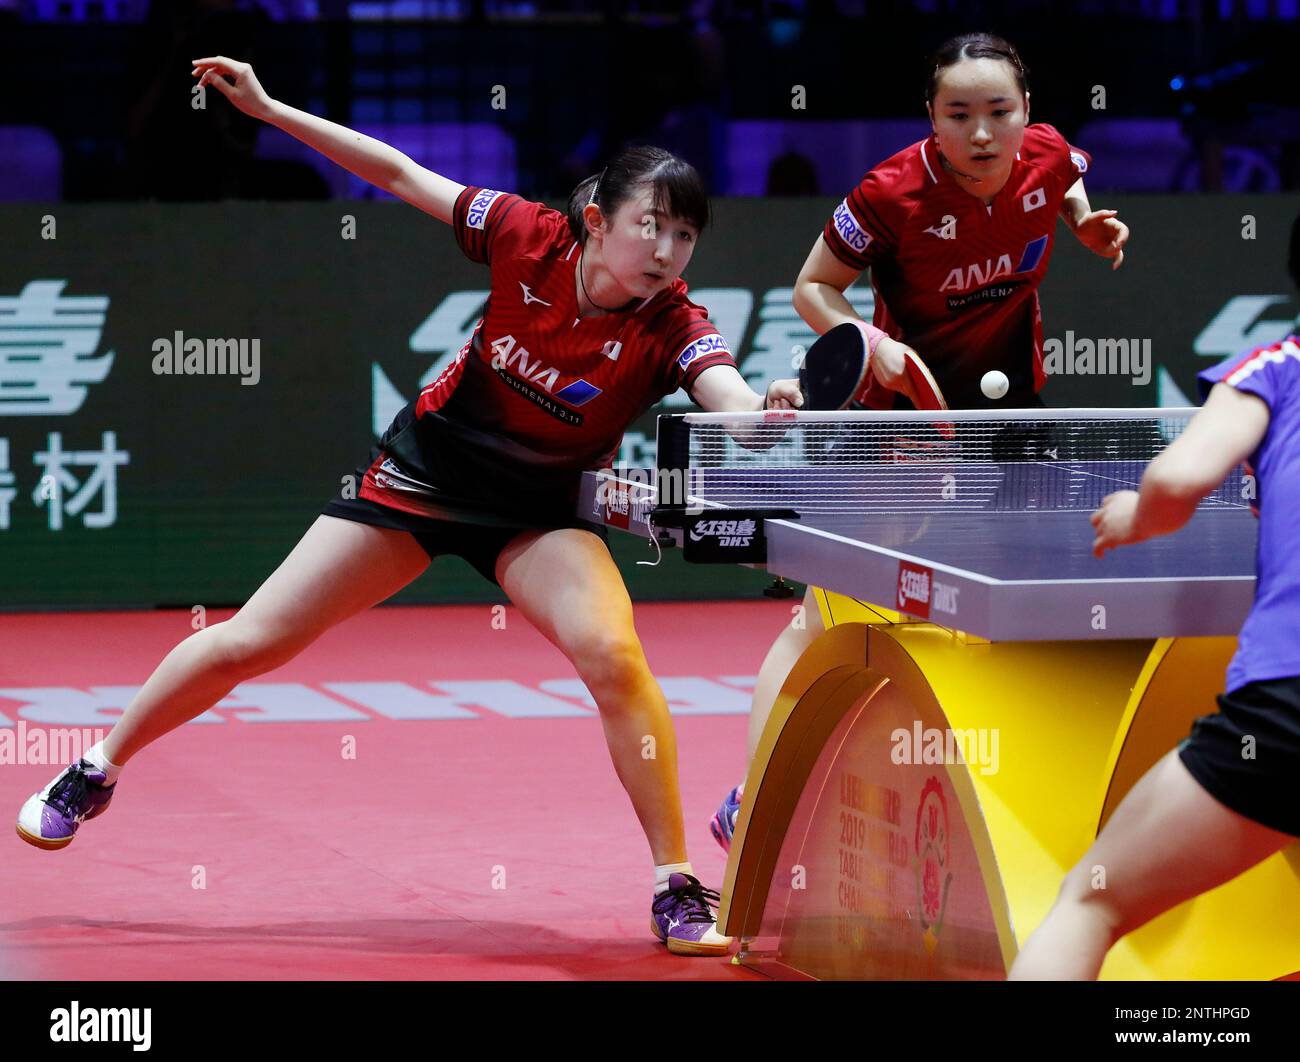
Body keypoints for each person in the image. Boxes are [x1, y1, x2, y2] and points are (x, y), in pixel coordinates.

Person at [15, 55, 802, 958]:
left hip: (537, 513)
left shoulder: (674, 324)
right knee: (253, 638)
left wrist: (764, 413)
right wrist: (273, 112)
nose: (666, 253)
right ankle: (95, 767)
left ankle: (675, 883)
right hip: (423, 478)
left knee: (613, 654)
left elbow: (727, 399)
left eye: (686, 237)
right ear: (597, 221)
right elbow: (396, 172)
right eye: (651, 227)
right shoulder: (524, 236)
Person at [711, 31, 1131, 852]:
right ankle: (748, 798)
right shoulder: (890, 192)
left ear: (1027, 113)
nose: (982, 132)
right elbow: (812, 287)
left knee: (1019, 605)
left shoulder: (1047, 155)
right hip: (898, 422)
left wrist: (1083, 226)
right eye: (959, 114)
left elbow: (1069, 177)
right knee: (832, 616)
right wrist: (871, 343)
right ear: (931, 120)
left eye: (998, 112)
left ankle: (1014, 799)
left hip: (1008, 420)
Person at [1009, 216, 1300, 979]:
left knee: (1090, 899)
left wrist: (1140, 515)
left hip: (1286, 713)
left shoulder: (1279, 367)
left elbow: (1175, 480)